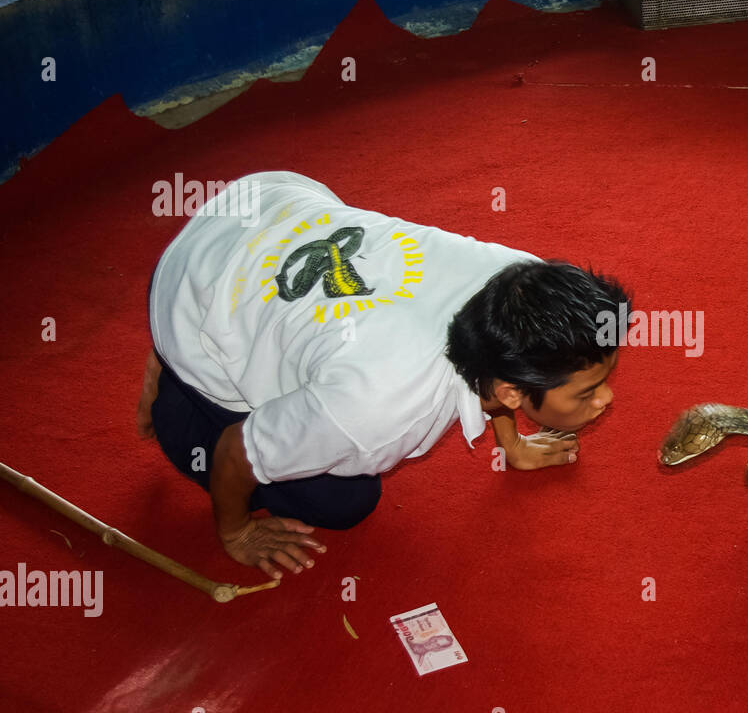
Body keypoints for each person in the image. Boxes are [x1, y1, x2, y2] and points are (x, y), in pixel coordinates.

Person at [138, 171, 628, 582]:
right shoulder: (379, 407)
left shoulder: (524, 282)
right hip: (192, 287)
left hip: (269, 201)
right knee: (344, 500)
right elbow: (234, 450)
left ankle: (213, 337)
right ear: (510, 390)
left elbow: (505, 370)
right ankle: (175, 389)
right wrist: (236, 532)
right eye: (587, 391)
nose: (606, 400)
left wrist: (513, 444)